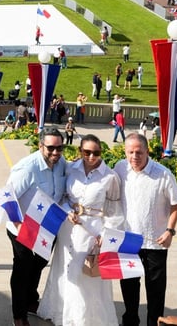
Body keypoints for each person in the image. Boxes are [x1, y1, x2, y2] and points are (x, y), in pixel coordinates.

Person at [38, 135, 122, 326]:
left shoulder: (109, 177)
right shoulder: (71, 168)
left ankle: (85, 318)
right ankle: (63, 313)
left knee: (86, 273)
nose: (91, 156)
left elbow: (115, 211)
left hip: (93, 231)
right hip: (69, 227)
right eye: (87, 152)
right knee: (65, 269)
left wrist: (107, 234)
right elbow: (65, 197)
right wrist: (68, 212)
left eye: (96, 152)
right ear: (80, 151)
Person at [115, 134, 177, 326]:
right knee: (128, 286)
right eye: (130, 152)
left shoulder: (163, 174)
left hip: (155, 241)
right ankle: (130, 320)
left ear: (147, 151)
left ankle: (155, 322)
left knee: (155, 289)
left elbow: (176, 204)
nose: (134, 156)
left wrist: (170, 231)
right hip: (128, 240)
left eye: (139, 152)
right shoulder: (120, 168)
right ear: (125, 152)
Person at [6, 127, 67, 326]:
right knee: (23, 269)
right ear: (41, 146)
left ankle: (31, 300)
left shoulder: (61, 163)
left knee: (39, 264)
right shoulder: (27, 168)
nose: (55, 153)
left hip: (48, 225)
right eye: (50, 148)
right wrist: (19, 225)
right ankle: (19, 314)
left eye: (60, 148)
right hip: (23, 226)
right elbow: (8, 198)